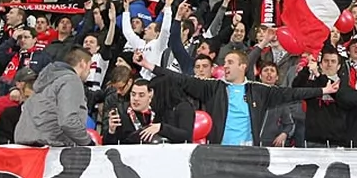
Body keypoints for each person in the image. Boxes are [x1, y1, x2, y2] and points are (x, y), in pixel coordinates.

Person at [134, 50, 337, 146]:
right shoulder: (213, 88)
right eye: (225, 62)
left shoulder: (259, 90)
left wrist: (322, 91)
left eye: (231, 62)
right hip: (218, 151)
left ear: (243, 66)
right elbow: (182, 79)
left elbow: (290, 93)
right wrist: (149, 65)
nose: (226, 65)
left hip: (249, 153)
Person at [15, 46, 96, 146]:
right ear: (83, 63)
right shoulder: (71, 80)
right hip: (49, 148)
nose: (89, 72)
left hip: (26, 145)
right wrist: (88, 143)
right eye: (89, 66)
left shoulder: (46, 81)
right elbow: (68, 121)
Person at [103, 78, 192, 144]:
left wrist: (161, 128)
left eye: (141, 95)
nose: (136, 99)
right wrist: (111, 131)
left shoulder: (160, 115)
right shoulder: (121, 116)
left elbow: (183, 137)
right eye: (133, 94)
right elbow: (108, 146)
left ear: (150, 95)